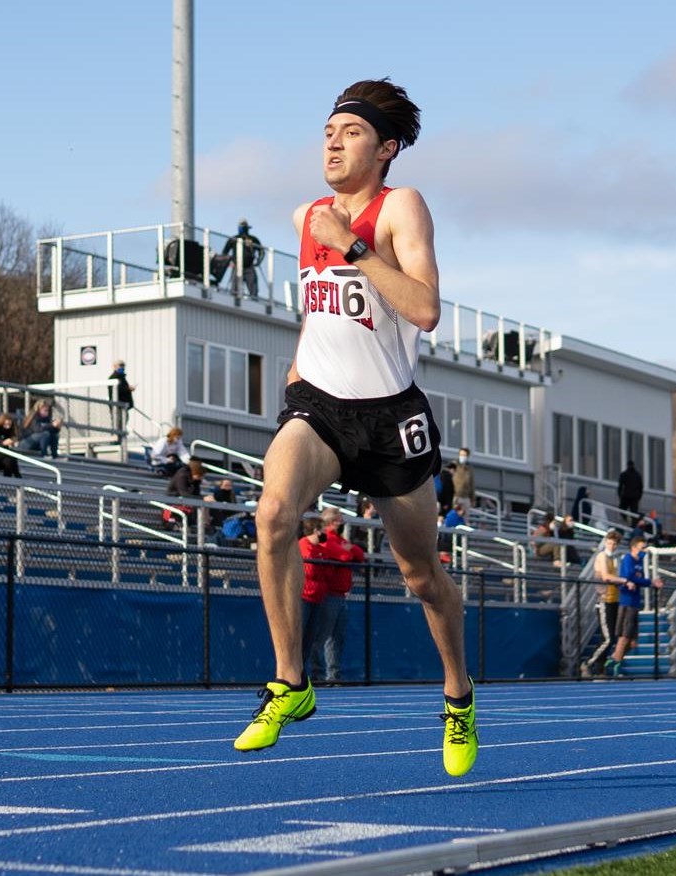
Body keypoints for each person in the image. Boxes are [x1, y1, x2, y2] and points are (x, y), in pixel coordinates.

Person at [232, 79, 477, 777]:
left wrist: (354, 249)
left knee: (421, 576)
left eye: (351, 132)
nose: (332, 142)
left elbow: (425, 310)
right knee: (274, 514)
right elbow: (329, 309)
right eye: (328, 131)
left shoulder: (401, 208)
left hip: (391, 417)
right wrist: (297, 373)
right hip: (320, 405)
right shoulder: (308, 214)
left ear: (387, 147)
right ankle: (291, 682)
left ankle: (458, 694)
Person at [300, 506, 365, 683]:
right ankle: (317, 673)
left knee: (337, 637)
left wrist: (349, 548)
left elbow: (359, 555)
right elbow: (344, 556)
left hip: (338, 593)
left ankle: (332, 675)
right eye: (339, 521)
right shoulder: (326, 539)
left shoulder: (337, 539)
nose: (342, 524)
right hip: (326, 594)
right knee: (320, 637)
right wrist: (347, 550)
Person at [606, 533, 660, 676]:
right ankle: (616, 665)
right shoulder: (628, 559)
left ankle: (613, 659)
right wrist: (649, 582)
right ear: (634, 548)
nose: (644, 551)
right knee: (624, 635)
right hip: (627, 601)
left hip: (635, 602)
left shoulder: (639, 562)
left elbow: (639, 579)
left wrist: (649, 582)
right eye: (642, 548)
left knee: (633, 642)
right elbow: (629, 577)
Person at [583, 530, 623, 676]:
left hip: (614, 600)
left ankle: (600, 669)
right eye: (609, 543)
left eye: (614, 544)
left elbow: (616, 577)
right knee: (608, 638)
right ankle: (588, 663)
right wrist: (624, 580)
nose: (611, 546)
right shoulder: (602, 557)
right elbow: (606, 576)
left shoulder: (614, 559)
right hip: (604, 600)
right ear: (605, 542)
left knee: (609, 637)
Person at [210, 219, 264, 297]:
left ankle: (254, 301)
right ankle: (234, 301)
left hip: (249, 267)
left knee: (253, 290)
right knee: (235, 290)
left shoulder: (253, 239)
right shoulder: (234, 239)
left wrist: (258, 261)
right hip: (237, 267)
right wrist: (229, 262)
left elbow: (261, 251)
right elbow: (225, 253)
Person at [107, 361, 136, 435]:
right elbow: (117, 390)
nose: (122, 368)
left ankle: (120, 440)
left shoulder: (122, 378)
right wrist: (128, 389)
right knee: (117, 424)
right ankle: (116, 441)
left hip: (123, 406)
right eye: (120, 366)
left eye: (123, 366)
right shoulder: (113, 378)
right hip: (117, 406)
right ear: (114, 367)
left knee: (123, 423)